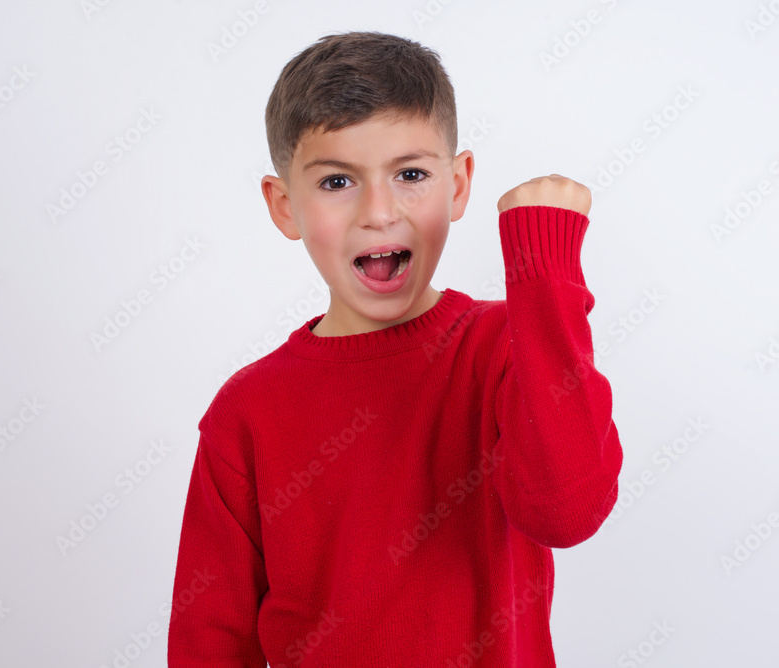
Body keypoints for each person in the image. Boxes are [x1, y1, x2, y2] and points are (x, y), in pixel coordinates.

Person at [168, 30, 623, 667]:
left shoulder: (504, 349)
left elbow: (567, 509)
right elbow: (209, 640)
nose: (379, 212)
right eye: (336, 182)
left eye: (410, 174)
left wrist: (543, 271)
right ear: (283, 205)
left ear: (459, 184)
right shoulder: (246, 410)